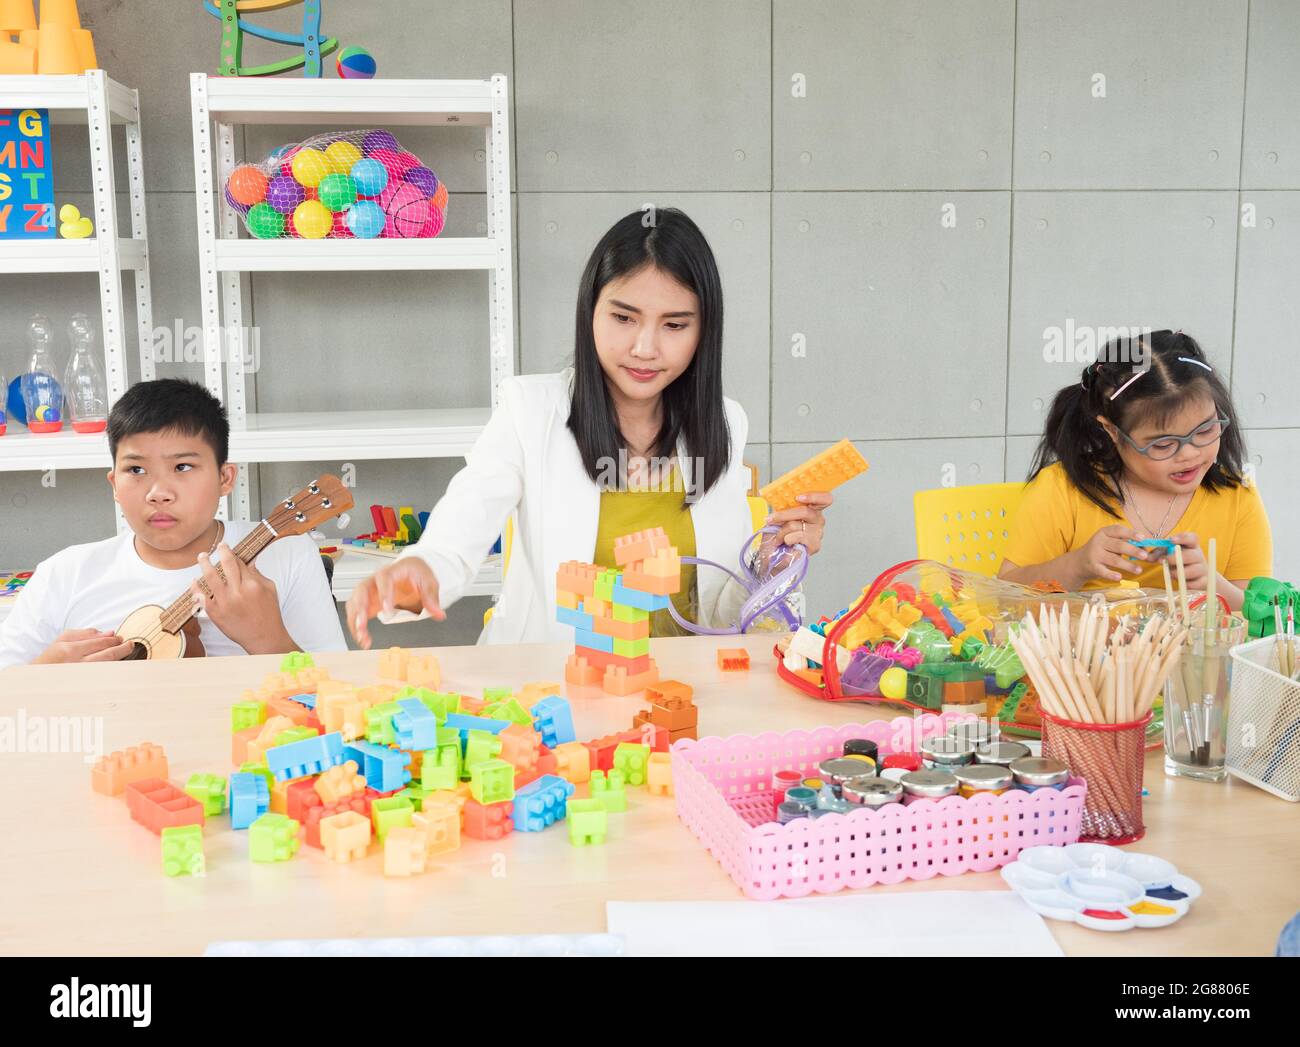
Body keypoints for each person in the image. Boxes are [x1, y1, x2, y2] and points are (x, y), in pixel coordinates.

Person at [347, 207, 833, 647]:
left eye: (675, 325)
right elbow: (455, 541)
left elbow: (716, 612)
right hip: (554, 688)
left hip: (680, 692)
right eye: (624, 317)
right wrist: (417, 573)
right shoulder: (530, 412)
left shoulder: (724, 422)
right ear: (591, 312)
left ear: (704, 331)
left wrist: (774, 562)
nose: (645, 347)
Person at [0, 379, 346, 667]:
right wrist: (44, 674)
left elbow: (340, 702)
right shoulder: (64, 573)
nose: (158, 493)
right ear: (114, 485)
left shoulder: (287, 555)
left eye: (182, 467)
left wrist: (269, 640)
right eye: (135, 470)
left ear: (225, 478)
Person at [999, 331, 1271, 609]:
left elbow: (1260, 617)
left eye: (1205, 430)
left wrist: (1212, 585)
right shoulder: (1062, 490)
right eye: (1164, 444)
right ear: (1112, 431)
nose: (1190, 454)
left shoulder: (1238, 499)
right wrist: (1077, 565)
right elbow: (1004, 598)